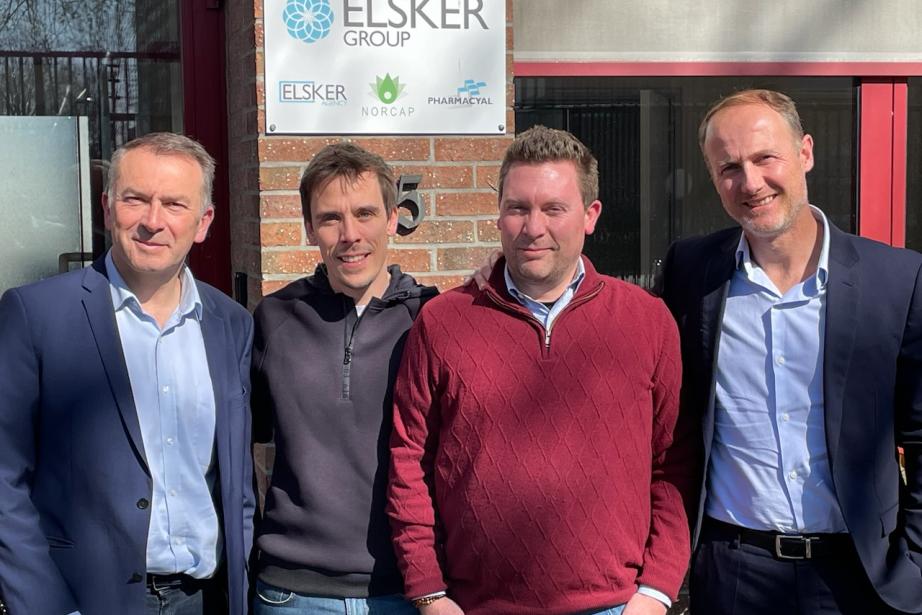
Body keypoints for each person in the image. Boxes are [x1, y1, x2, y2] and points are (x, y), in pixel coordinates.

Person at [388, 126, 696, 615]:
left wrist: (656, 592)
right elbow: (409, 460)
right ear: (499, 215)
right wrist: (429, 591)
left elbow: (673, 463)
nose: (533, 227)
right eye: (518, 208)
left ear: (590, 216)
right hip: (476, 606)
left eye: (554, 209)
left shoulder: (646, 320)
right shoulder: (444, 321)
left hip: (616, 606)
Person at [655, 89, 922, 615]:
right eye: (728, 166)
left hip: (861, 575)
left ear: (805, 153)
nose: (750, 182)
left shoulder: (897, 280)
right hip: (732, 572)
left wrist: (913, 561)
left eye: (764, 158)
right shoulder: (691, 272)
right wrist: (506, 274)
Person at [0, 132, 255, 615]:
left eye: (174, 204)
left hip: (205, 599)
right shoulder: (36, 315)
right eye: (135, 199)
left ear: (203, 223)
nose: (152, 222)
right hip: (85, 601)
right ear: (107, 208)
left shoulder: (231, 324)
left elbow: (235, 482)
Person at [249, 143, 437, 614]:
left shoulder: (432, 317)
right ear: (310, 227)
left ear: (394, 218)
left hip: (410, 590)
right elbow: (242, 439)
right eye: (331, 218)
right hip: (292, 592)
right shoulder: (275, 319)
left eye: (366, 213)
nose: (350, 234)